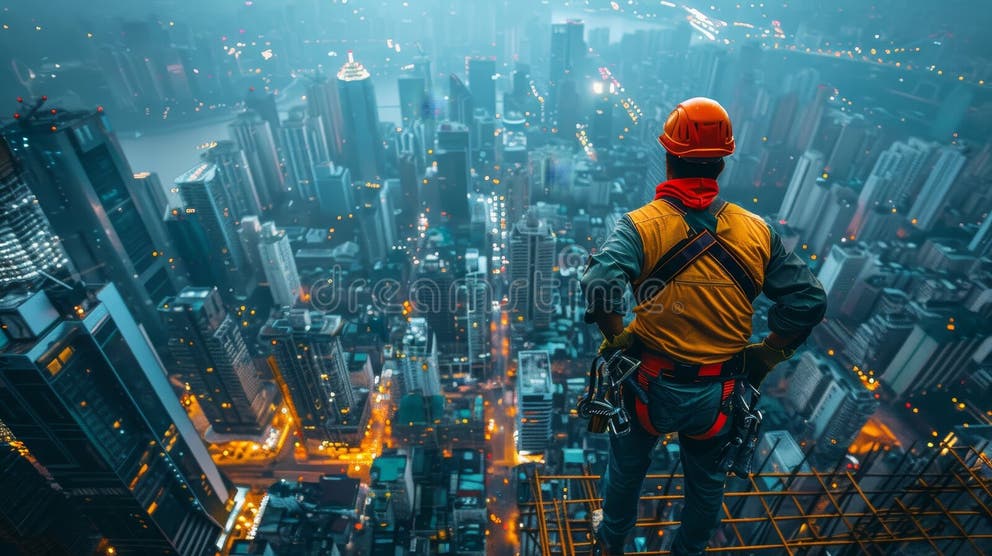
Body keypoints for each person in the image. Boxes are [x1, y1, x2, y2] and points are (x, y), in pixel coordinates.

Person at [580, 97, 827, 556]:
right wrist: (767, 352)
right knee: (706, 487)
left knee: (626, 471)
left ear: (669, 157)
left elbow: (599, 280)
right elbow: (809, 299)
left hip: (648, 384)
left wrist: (618, 337)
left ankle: (612, 540)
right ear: (722, 164)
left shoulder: (641, 226)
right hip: (720, 393)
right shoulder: (758, 231)